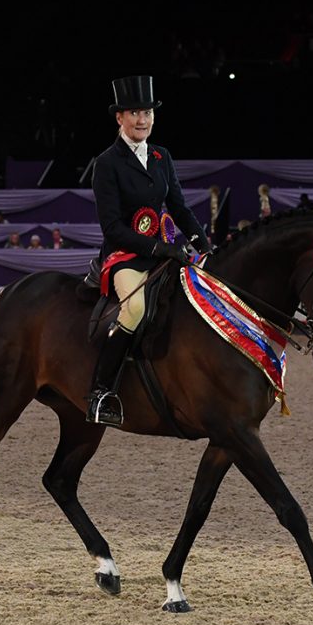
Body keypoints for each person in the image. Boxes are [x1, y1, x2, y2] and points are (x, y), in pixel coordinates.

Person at [87, 75, 211, 427]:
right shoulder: (107, 164)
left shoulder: (162, 156)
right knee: (136, 308)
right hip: (124, 255)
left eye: (147, 113)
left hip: (164, 250)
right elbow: (111, 228)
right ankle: (100, 391)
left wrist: (203, 242)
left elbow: (180, 208)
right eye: (134, 113)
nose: (142, 120)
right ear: (119, 118)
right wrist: (159, 247)